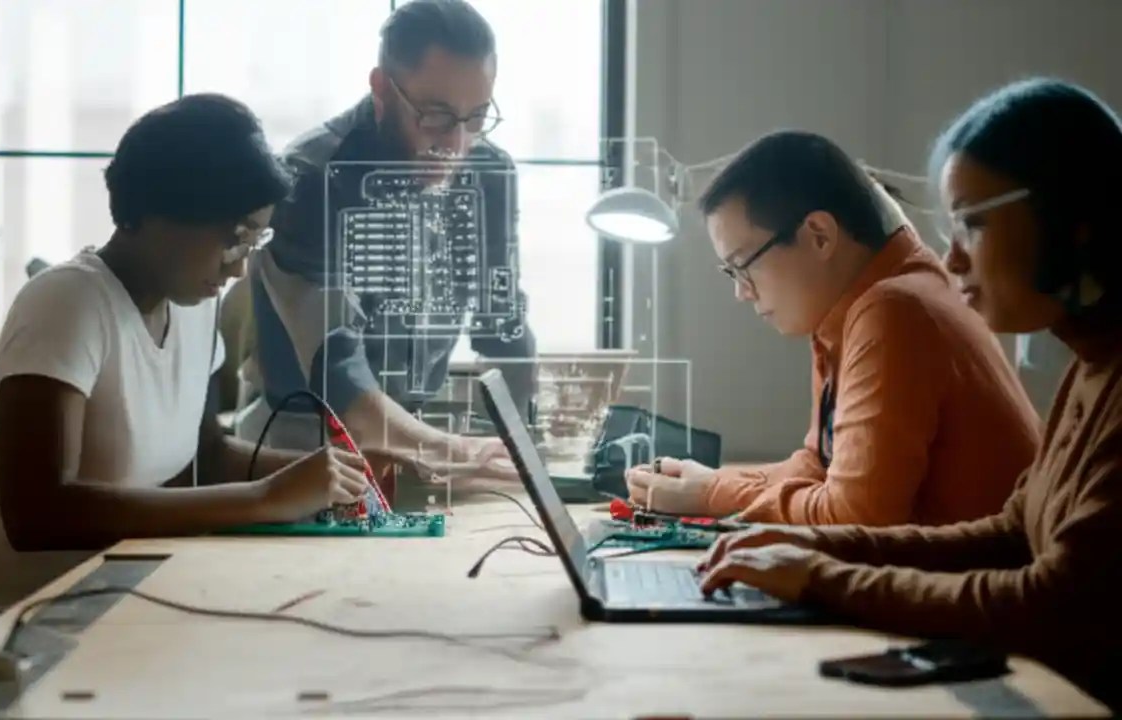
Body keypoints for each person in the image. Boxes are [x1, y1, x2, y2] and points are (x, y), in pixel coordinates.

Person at [698, 78, 1122, 711]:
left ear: (1074, 217)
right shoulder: (1091, 362)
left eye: (973, 225)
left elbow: (1050, 603)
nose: (951, 260)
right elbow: (1010, 533)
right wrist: (811, 547)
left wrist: (821, 577)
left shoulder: (899, 310)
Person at [0, 94, 371, 648]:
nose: (240, 266)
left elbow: (206, 454)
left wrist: (332, 473)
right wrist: (266, 497)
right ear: (162, 211)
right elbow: (37, 514)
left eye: (254, 240)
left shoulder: (190, 308)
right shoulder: (68, 302)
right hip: (5, 634)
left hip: (109, 603)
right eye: (234, 237)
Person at [626, 130, 1040, 526]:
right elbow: (818, 465)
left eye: (743, 266)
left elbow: (856, 514)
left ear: (819, 235)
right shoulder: (860, 306)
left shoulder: (894, 310)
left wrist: (711, 496)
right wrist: (711, 482)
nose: (742, 293)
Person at [246, 0, 532, 479]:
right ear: (381, 89)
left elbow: (502, 329)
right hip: (304, 455)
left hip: (421, 448)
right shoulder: (312, 180)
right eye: (437, 117)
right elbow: (338, 374)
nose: (457, 146)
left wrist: (526, 445)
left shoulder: (489, 173)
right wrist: (457, 450)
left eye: (477, 118)